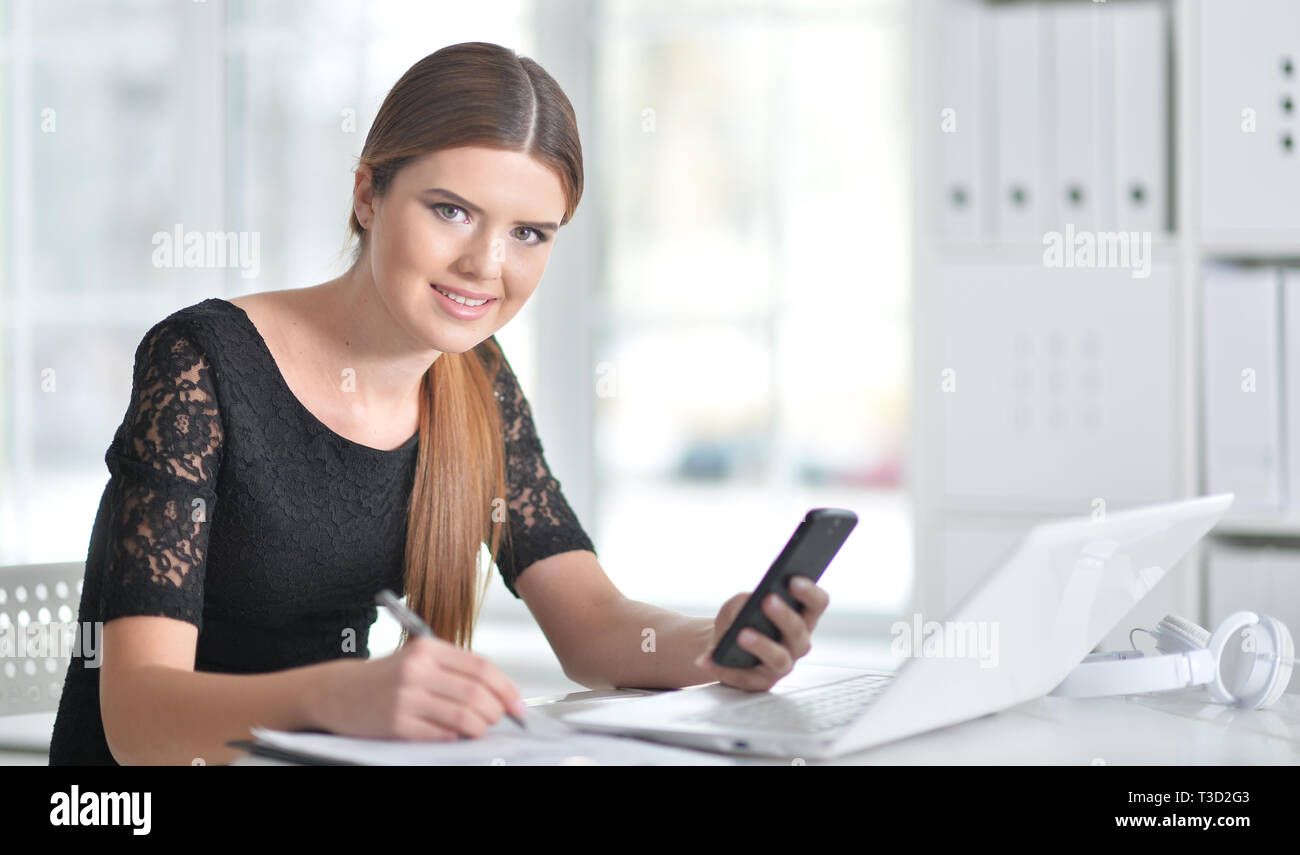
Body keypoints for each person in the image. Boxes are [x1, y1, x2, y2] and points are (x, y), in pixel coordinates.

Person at [48, 41, 830, 766]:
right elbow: (139, 717)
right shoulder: (200, 363)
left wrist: (714, 640)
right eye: (451, 210)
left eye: (529, 232)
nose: (485, 265)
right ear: (367, 194)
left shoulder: (474, 379)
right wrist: (336, 697)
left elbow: (590, 624)